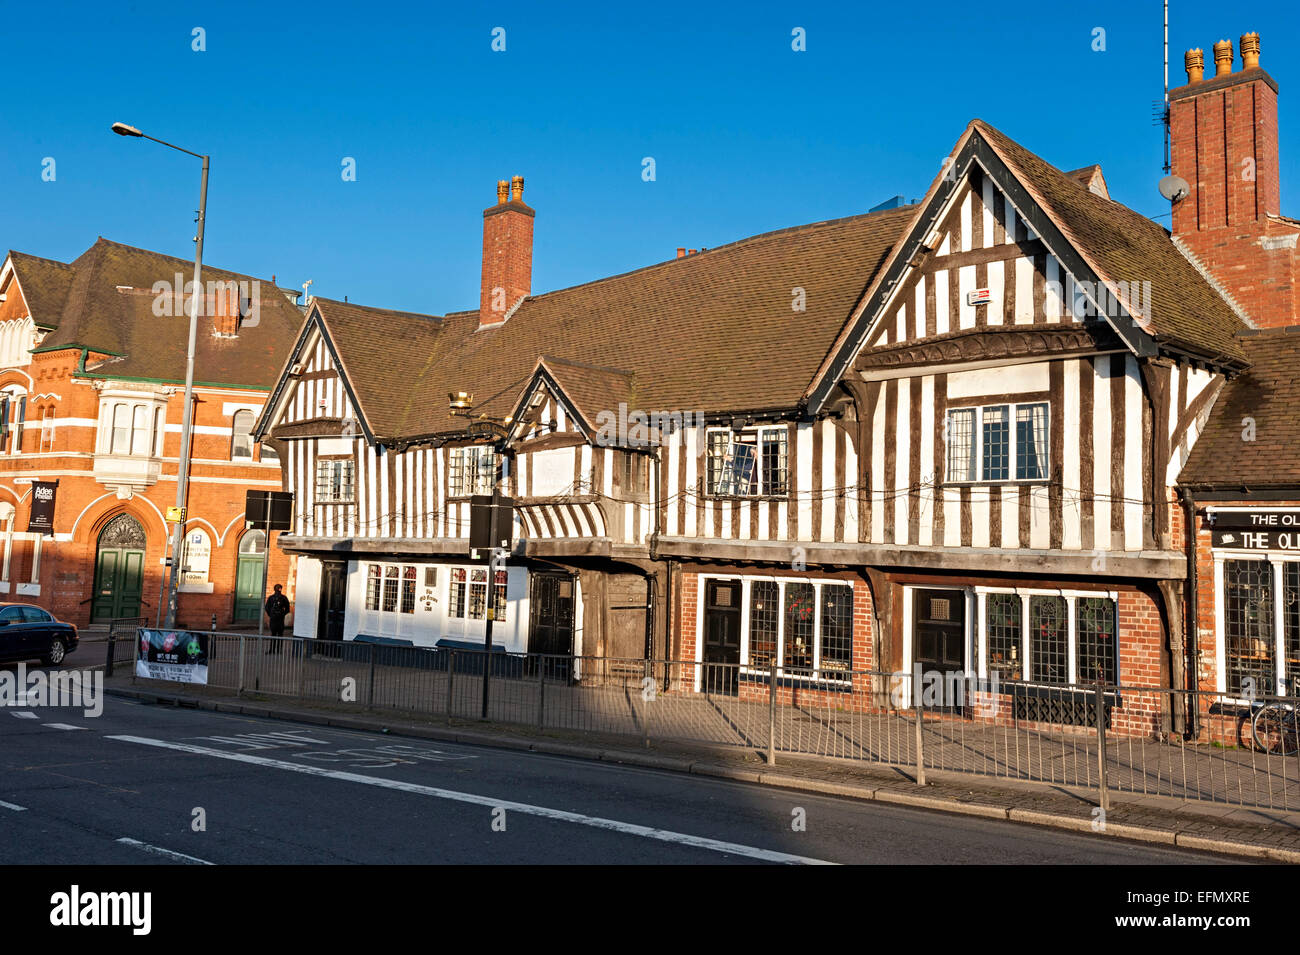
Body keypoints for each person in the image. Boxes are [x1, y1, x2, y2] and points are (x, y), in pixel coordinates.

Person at [265, 584, 291, 653]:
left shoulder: (276, 598)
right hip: (277, 619)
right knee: (278, 635)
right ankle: (276, 650)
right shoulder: (279, 598)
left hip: (277, 619)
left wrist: (272, 614)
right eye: (278, 588)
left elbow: (267, 608)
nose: (279, 590)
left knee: (275, 634)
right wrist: (282, 614)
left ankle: (274, 650)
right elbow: (287, 609)